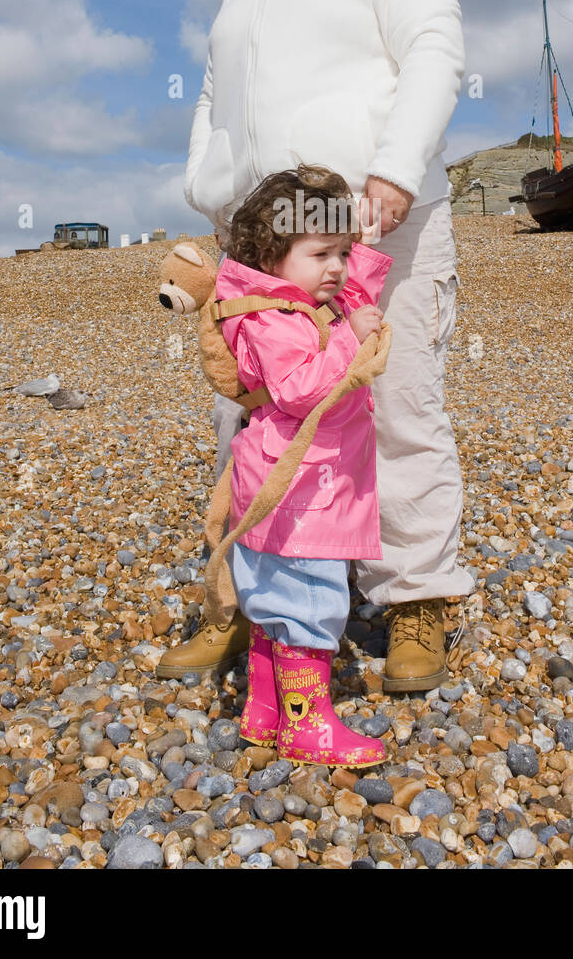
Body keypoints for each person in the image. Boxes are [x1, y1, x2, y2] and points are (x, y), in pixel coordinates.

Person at [157, 0, 473, 692]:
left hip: (379, 220)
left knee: (396, 403)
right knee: (251, 419)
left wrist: (396, 168)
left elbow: (436, 52)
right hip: (263, 241)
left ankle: (414, 600)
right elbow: (215, 98)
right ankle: (255, 608)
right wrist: (209, 188)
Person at [215, 165, 390, 766]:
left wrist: (358, 240)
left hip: (286, 487)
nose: (337, 268)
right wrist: (349, 341)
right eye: (322, 254)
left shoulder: (298, 304)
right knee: (310, 601)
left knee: (273, 600)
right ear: (272, 255)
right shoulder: (275, 319)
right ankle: (308, 725)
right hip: (301, 494)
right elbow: (298, 389)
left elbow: (354, 294)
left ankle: (264, 713)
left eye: (344, 252)